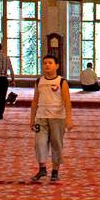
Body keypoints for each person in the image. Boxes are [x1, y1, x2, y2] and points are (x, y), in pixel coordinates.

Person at [29, 55, 74, 184]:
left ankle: (55, 171)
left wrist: (69, 119)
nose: (47, 65)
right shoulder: (39, 82)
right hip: (41, 117)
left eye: (50, 63)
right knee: (39, 143)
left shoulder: (61, 82)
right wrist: (32, 119)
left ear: (57, 66)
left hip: (57, 118)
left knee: (56, 144)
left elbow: (67, 101)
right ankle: (42, 168)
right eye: (44, 63)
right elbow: (35, 101)